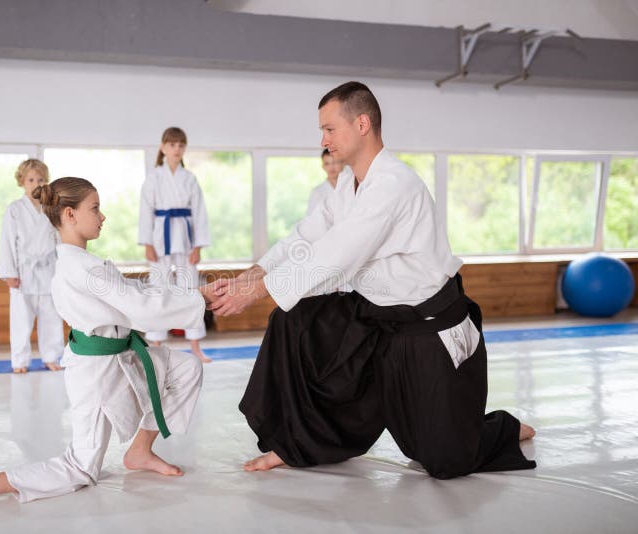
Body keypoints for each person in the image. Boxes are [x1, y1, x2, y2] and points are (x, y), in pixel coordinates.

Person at [210, 81, 537, 479]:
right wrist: (252, 275)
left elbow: (336, 253)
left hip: (426, 327)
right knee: (293, 323)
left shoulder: (394, 184)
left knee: (440, 459)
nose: (323, 140)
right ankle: (294, 442)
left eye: (329, 129)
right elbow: (306, 235)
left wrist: (256, 292)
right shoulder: (349, 184)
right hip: (373, 315)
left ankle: (500, 429)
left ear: (362, 124)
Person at [0, 177, 220, 513]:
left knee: (185, 368)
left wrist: (194, 295)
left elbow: (133, 294)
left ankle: (139, 451)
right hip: (96, 372)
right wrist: (199, 299)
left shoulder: (81, 262)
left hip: (121, 356)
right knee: (81, 467)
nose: (102, 216)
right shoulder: (82, 267)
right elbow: (140, 307)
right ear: (70, 214)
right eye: (95, 208)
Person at [138, 127, 211, 363]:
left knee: (190, 289)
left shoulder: (189, 178)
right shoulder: (153, 177)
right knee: (159, 288)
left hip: (186, 237)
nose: (176, 149)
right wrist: (147, 243)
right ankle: (156, 344)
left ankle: (195, 346)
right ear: (163, 148)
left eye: (180, 145)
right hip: (160, 236)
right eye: (172, 145)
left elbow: (199, 212)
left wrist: (198, 246)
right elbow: (145, 211)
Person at [0, 159, 64, 373]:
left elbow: (60, 239)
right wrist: (9, 272)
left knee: (51, 317)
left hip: (49, 269)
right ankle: (19, 361)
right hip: (23, 271)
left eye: (41, 179)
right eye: (31, 180)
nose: (36, 184)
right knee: (21, 319)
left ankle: (52, 357)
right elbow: (7, 242)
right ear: (22, 181)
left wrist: (63, 269)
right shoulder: (15, 209)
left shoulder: (52, 208)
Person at [305, 148, 342, 216]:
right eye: (327, 163)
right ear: (323, 166)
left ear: (342, 163)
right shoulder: (317, 192)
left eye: (335, 162)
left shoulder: (350, 188)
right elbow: (310, 217)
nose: (331, 167)